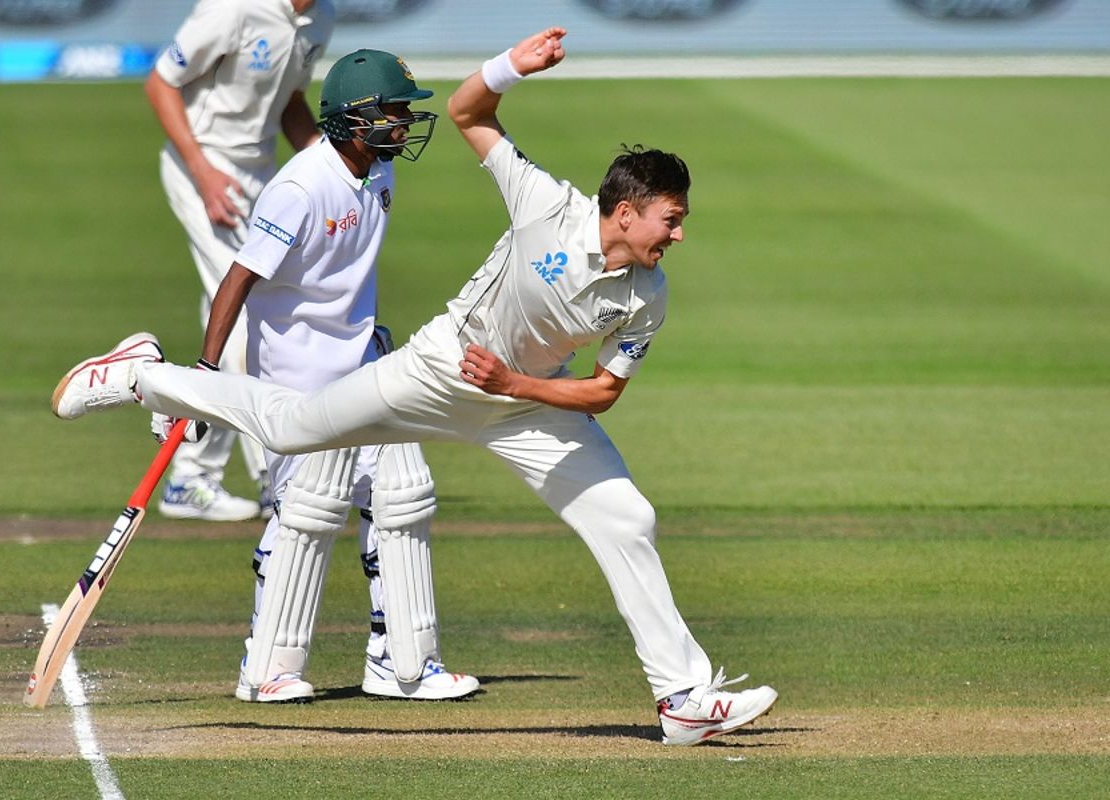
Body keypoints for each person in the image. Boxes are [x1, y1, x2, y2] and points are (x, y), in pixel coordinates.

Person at [52, 27, 778, 744]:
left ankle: (682, 697)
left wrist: (513, 382)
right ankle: (142, 376)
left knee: (626, 518)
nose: (678, 236)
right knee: (291, 430)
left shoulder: (649, 294)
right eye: (671, 220)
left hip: (525, 403)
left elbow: (601, 394)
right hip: (440, 368)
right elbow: (468, 111)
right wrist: (512, 64)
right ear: (625, 211)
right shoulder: (545, 204)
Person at [179, 46, 476, 702]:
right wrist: (204, 373)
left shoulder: (379, 169)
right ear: (355, 118)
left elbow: (346, 274)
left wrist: (367, 335)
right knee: (300, 517)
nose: (406, 123)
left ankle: (397, 661)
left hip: (362, 368)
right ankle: (265, 667)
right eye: (395, 112)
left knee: (397, 497)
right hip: (297, 381)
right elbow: (239, 277)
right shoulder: (299, 188)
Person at [144, 0, 334, 521]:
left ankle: (194, 477)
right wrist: (203, 172)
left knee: (228, 318)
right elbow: (161, 84)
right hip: (203, 168)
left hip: (263, 176)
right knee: (245, 319)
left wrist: (331, 166)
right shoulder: (233, 8)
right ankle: (268, 477)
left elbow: (290, 102)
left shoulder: (322, 17)